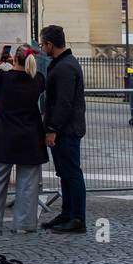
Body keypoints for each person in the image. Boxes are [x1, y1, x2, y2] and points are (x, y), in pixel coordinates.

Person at [0, 45, 47, 234]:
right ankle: (25, 224)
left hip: (4, 135)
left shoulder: (4, 78)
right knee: (28, 184)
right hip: (30, 137)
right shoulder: (38, 80)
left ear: (14, 58)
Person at [39, 25, 87, 233]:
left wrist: (52, 129)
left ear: (50, 44)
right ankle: (68, 213)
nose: (41, 48)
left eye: (42, 44)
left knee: (72, 174)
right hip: (64, 129)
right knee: (65, 174)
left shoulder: (65, 67)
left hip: (66, 130)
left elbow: (64, 103)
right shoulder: (62, 63)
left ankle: (77, 218)